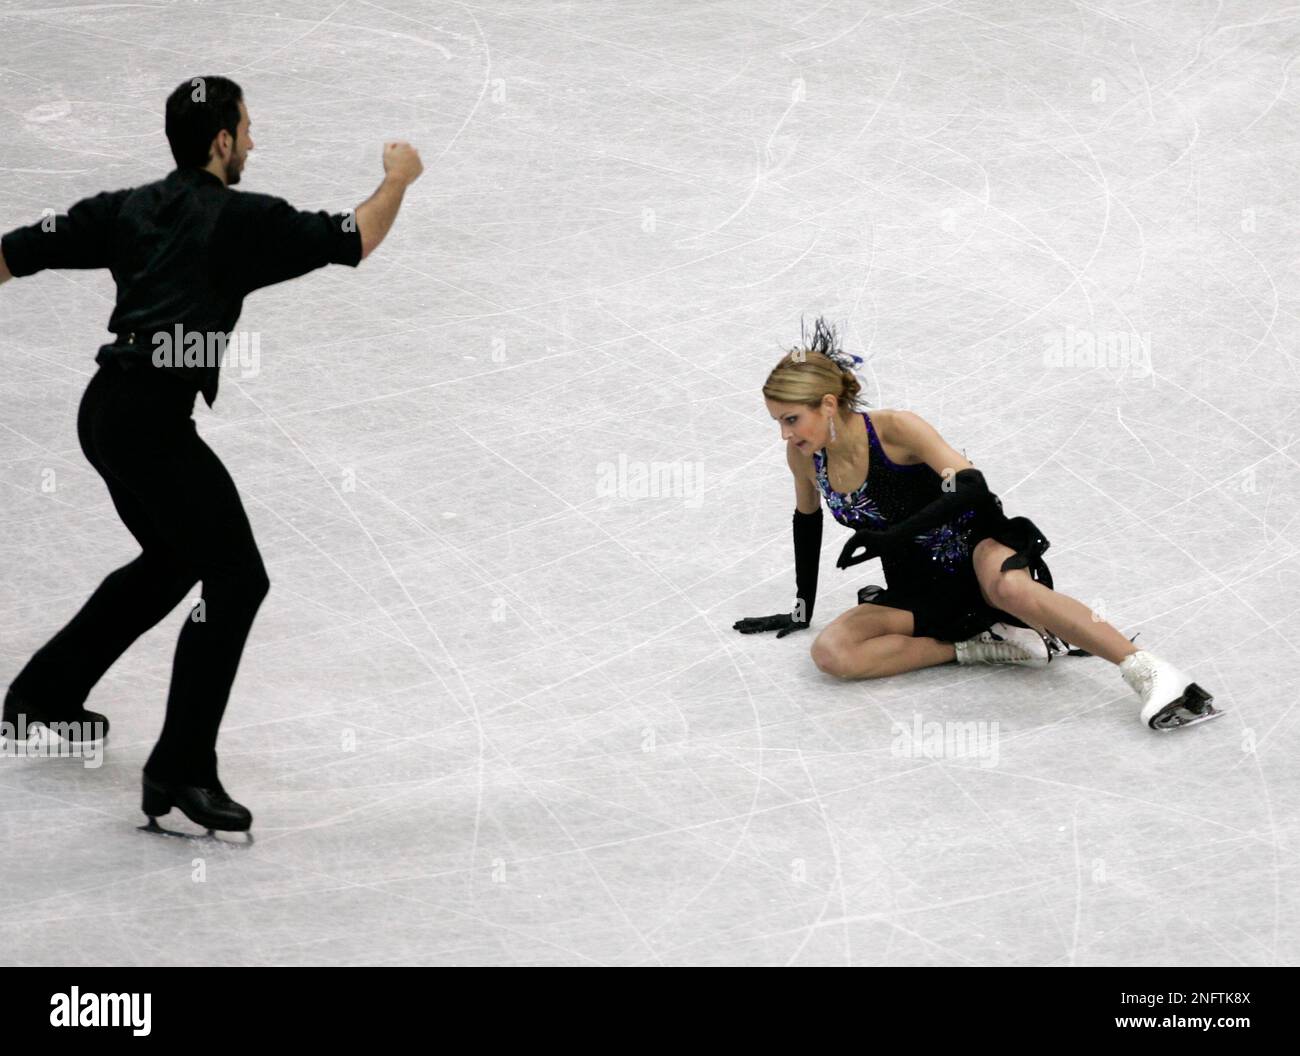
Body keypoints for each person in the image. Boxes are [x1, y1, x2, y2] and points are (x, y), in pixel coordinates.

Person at [0, 75, 425, 833]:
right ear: (222, 141)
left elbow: (13, 253)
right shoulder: (242, 222)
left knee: (170, 559)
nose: (255, 142)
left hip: (106, 411)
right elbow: (356, 235)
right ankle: (181, 768)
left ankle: (45, 695)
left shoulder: (128, 207)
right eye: (248, 129)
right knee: (237, 577)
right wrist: (397, 176)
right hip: (151, 425)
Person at [734, 319, 1220, 731]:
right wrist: (800, 610)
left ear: (826, 403)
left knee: (1009, 588)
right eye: (778, 422)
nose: (785, 433)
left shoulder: (896, 430)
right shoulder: (805, 458)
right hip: (918, 586)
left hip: (979, 548)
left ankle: (1153, 675)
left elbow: (972, 486)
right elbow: (807, 521)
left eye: (792, 419)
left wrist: (893, 535)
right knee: (833, 654)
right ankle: (983, 648)